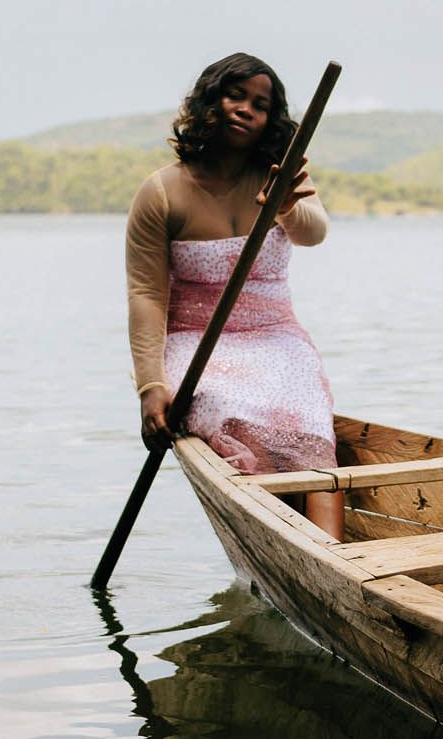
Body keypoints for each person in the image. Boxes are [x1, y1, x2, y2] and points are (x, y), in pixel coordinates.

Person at [126, 52, 343, 539]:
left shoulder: (281, 172)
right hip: (196, 343)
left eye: (260, 104)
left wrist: (287, 204)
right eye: (235, 95)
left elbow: (314, 234)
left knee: (304, 407)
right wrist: (150, 387)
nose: (246, 108)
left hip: (276, 338)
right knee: (227, 404)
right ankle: (274, 537)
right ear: (209, 101)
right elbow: (145, 294)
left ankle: (334, 555)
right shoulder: (161, 192)